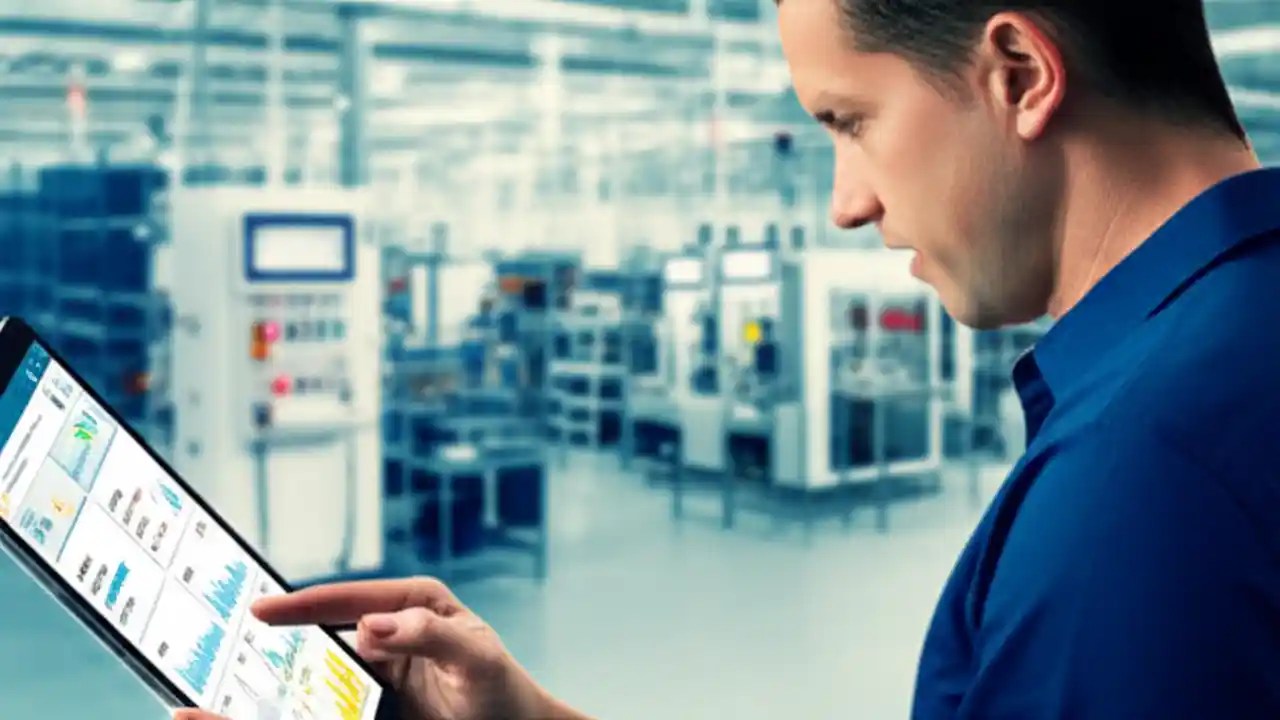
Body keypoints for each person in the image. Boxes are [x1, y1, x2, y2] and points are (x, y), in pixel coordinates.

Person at [182, 0, 1280, 718]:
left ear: (1017, 73)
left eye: (849, 120)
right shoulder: (1235, 339)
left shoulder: (1137, 479)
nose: (846, 202)